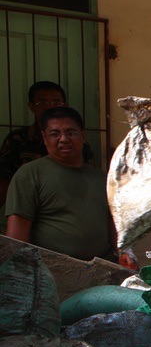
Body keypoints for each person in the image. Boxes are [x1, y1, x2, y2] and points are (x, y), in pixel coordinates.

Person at [4, 106, 116, 261]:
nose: (63, 139)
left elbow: (113, 225)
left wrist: (124, 255)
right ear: (44, 138)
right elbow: (16, 237)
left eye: (70, 133)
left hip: (101, 268)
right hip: (51, 272)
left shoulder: (102, 178)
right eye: (54, 134)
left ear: (83, 135)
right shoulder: (30, 174)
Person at [1, 81, 94, 207]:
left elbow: (89, 177)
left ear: (64, 106)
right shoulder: (17, 139)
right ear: (31, 106)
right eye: (42, 103)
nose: (49, 107)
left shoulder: (75, 141)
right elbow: (3, 181)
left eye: (56, 103)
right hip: (27, 207)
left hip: (68, 205)